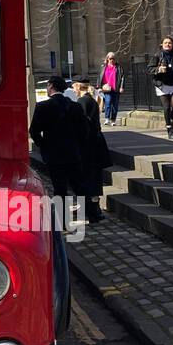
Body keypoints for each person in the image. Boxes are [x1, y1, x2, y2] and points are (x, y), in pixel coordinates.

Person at [29, 75, 95, 228]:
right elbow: (84, 130)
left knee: (60, 188)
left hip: (54, 154)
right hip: (72, 152)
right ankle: (92, 214)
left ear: (51, 86)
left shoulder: (43, 107)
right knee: (79, 185)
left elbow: (34, 131)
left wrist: (43, 145)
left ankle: (63, 221)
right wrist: (77, 145)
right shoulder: (75, 106)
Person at [73, 79, 110, 222]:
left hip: (88, 145)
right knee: (95, 177)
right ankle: (94, 207)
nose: (73, 89)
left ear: (78, 86)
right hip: (96, 143)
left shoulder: (82, 101)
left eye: (74, 86)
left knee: (88, 177)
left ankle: (93, 209)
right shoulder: (91, 100)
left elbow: (82, 124)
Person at [150, 36, 173, 138]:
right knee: (167, 107)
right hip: (162, 85)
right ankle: (169, 128)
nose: (167, 44)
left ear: (172, 45)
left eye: (169, 43)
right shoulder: (158, 55)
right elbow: (148, 69)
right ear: (162, 45)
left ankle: (170, 120)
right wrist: (158, 69)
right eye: (165, 43)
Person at [97, 50, 124, 126]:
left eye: (113, 58)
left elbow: (122, 77)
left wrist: (121, 87)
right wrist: (99, 86)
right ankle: (107, 119)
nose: (112, 60)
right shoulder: (103, 67)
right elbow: (99, 77)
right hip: (107, 89)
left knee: (115, 105)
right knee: (108, 103)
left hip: (116, 88)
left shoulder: (118, 67)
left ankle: (113, 120)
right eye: (110, 58)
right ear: (107, 59)